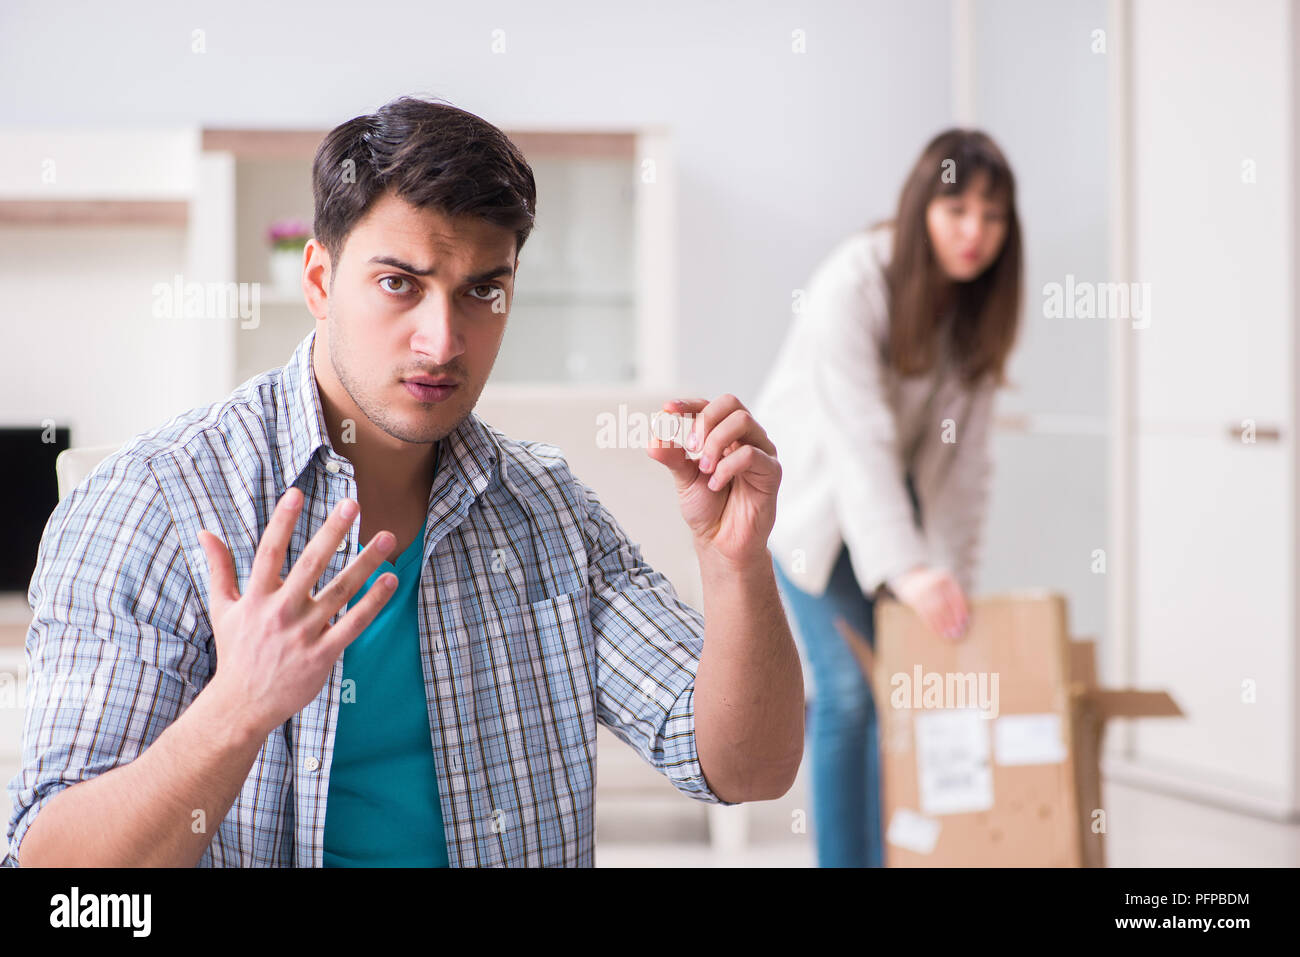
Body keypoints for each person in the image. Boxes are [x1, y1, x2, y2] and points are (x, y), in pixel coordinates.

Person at [5, 95, 803, 868]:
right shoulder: (155, 502)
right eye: (400, 283)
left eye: (482, 290)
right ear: (318, 281)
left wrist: (734, 561)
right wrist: (236, 707)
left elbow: (748, 768)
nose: (443, 337)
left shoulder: (547, 511)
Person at [753, 129, 1023, 867]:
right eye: (957, 208)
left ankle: (899, 855)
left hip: (887, 514)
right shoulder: (855, 280)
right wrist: (910, 569)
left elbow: (966, 464)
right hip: (813, 506)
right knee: (847, 693)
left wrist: (949, 577)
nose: (974, 232)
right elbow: (857, 440)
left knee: (905, 691)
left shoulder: (975, 308)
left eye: (993, 217)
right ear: (921, 206)